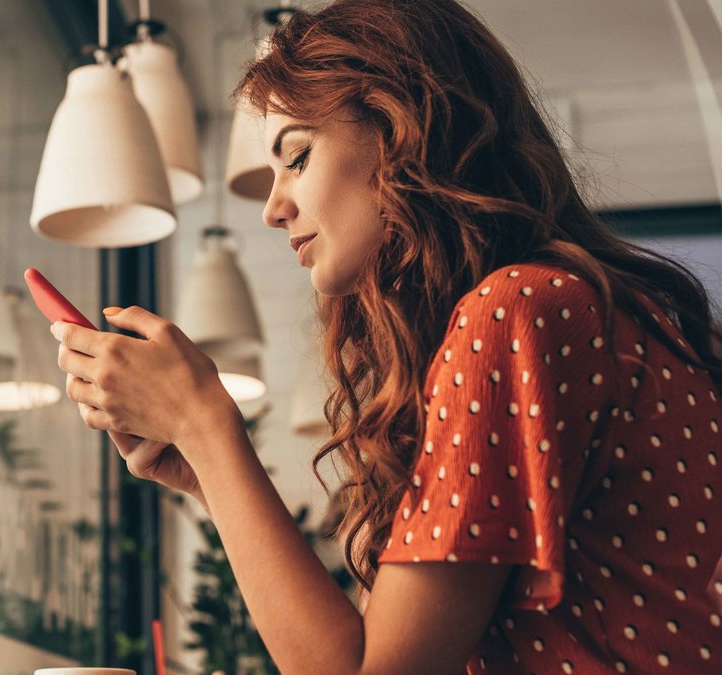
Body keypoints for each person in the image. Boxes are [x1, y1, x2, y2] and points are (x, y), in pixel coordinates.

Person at [48, 0, 722, 672]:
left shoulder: (515, 309)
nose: (276, 208)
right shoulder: (584, 306)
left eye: (298, 156)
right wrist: (208, 476)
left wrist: (207, 424)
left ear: (400, 126)